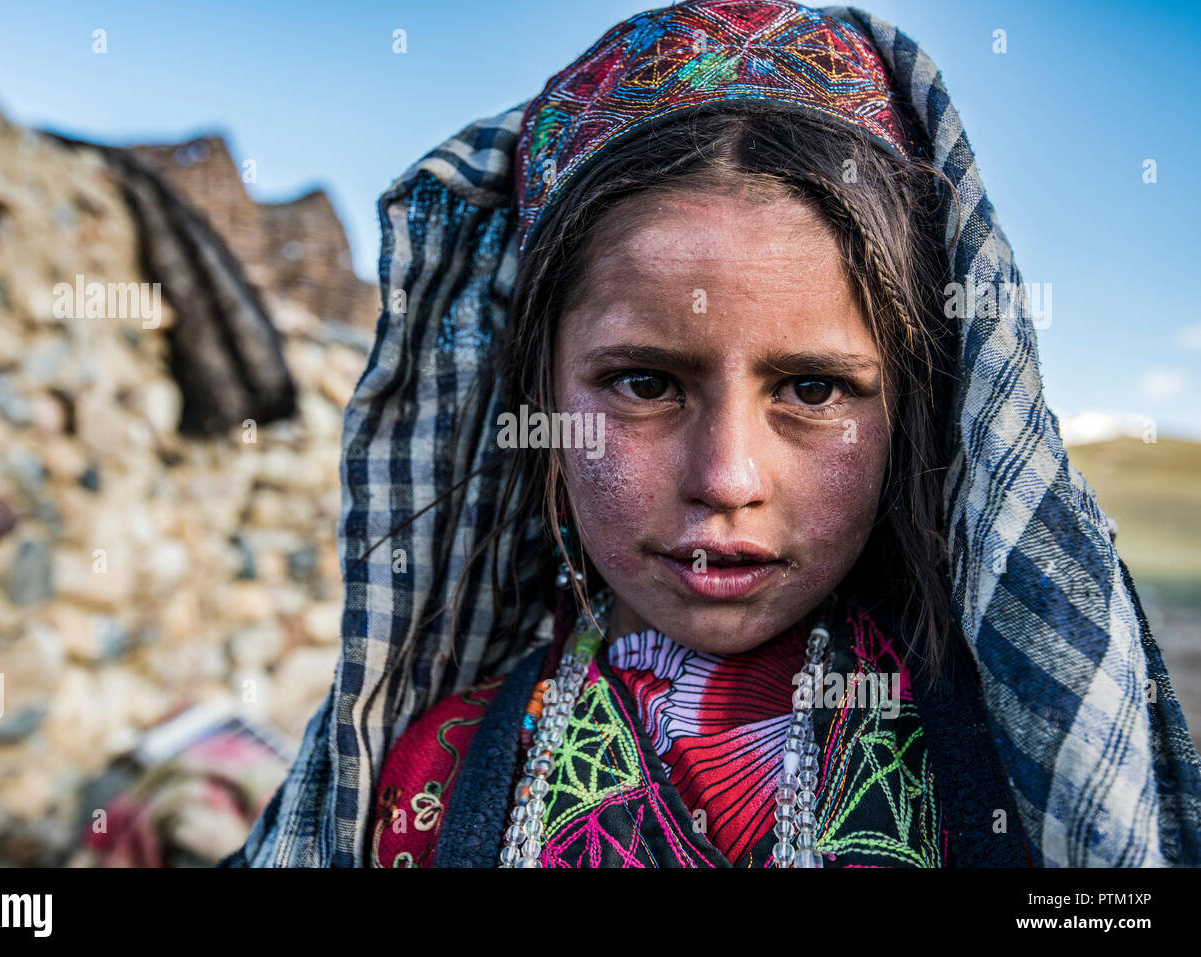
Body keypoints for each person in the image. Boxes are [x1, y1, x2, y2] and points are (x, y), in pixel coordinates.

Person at [222, 0, 1201, 868]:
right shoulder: (436, 788)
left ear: (913, 410)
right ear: (539, 398)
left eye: (813, 388)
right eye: (644, 383)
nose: (725, 477)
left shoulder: (1015, 774)